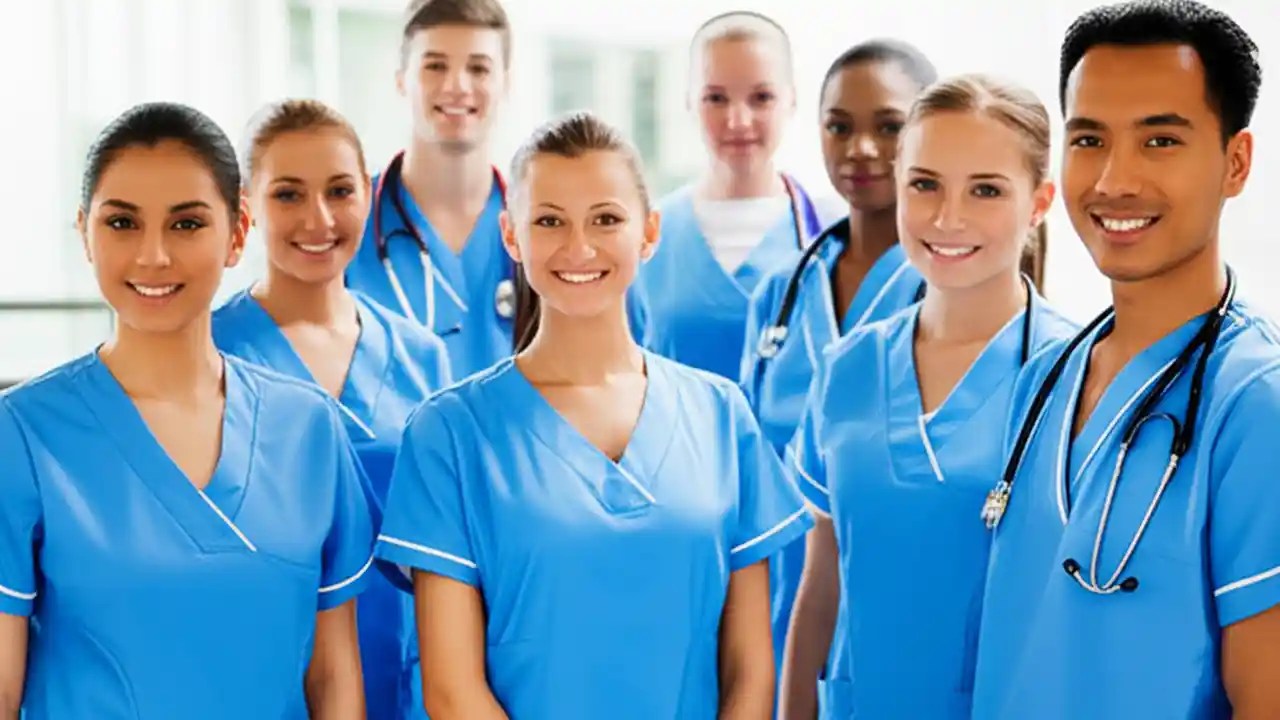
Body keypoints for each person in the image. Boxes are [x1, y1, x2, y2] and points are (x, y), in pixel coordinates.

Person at [373, 111, 814, 720]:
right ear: (511, 236)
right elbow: (451, 690)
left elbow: (748, 664)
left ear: (650, 231)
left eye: (606, 219)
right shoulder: (449, 432)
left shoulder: (720, 415)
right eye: (549, 221)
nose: (578, 248)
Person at [0, 102, 374, 719]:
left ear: (236, 233)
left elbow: (333, 678)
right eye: (122, 224)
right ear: (84, 234)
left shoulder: (308, 429)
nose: (153, 256)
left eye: (186, 224)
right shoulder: (25, 435)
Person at [971, 2, 1280, 718]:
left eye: (1161, 141)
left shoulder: (1254, 406)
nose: (1114, 179)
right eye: (1089, 139)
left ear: (1235, 163)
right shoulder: (1043, 380)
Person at [781, 75, 1077, 719]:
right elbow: (824, 580)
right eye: (925, 184)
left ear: (1040, 202)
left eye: (986, 190)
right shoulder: (848, 369)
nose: (948, 217)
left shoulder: (1080, 377)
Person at [211, 99, 452, 720]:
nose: (318, 218)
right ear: (247, 210)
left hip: (406, 670)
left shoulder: (424, 358)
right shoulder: (207, 352)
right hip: (263, 674)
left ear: (367, 197)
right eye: (288, 195)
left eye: (339, 190)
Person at [737, 40, 938, 674]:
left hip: (898, 624)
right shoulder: (780, 293)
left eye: (889, 126)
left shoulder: (949, 296)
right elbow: (743, 475)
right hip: (772, 614)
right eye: (839, 126)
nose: (861, 148)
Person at [631, 11, 829, 381]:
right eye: (716, 98)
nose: (738, 120)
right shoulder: (646, 236)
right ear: (689, 102)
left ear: (792, 100)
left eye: (761, 97)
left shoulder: (831, 234)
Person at [344, 0, 515, 378]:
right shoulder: (345, 220)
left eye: (479, 68)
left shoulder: (541, 224)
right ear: (402, 79)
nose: (457, 86)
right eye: (435, 66)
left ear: (506, 82)